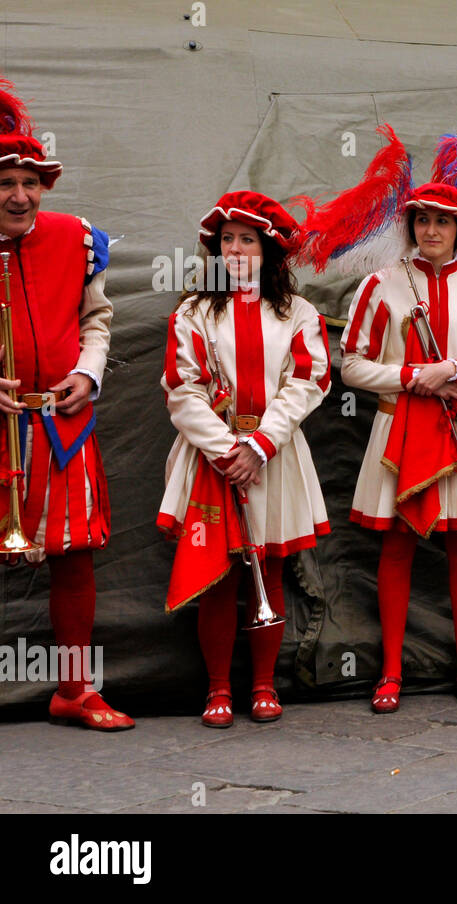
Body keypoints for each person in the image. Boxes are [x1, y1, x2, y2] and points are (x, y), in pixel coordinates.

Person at [342, 134, 457, 713]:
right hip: (399, 431)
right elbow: (352, 367)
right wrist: (412, 375)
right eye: (421, 220)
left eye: (443, 221)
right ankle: (389, 673)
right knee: (396, 547)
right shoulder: (381, 285)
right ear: (411, 224)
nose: (431, 231)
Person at [158, 190, 331, 727]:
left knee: (271, 569)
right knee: (221, 576)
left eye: (247, 240)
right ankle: (217, 690)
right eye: (227, 240)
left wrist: (260, 445)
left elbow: (308, 382)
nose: (235, 250)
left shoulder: (298, 313)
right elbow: (180, 388)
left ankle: (262, 685)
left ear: (268, 250)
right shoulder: (193, 312)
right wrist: (225, 448)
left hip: (274, 456)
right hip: (211, 458)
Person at [0, 80, 132, 730]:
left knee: (74, 557)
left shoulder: (77, 238)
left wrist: (89, 371)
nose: (19, 196)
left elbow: (98, 319)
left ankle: (74, 692)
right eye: (5, 182)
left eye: (30, 181)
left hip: (60, 422)